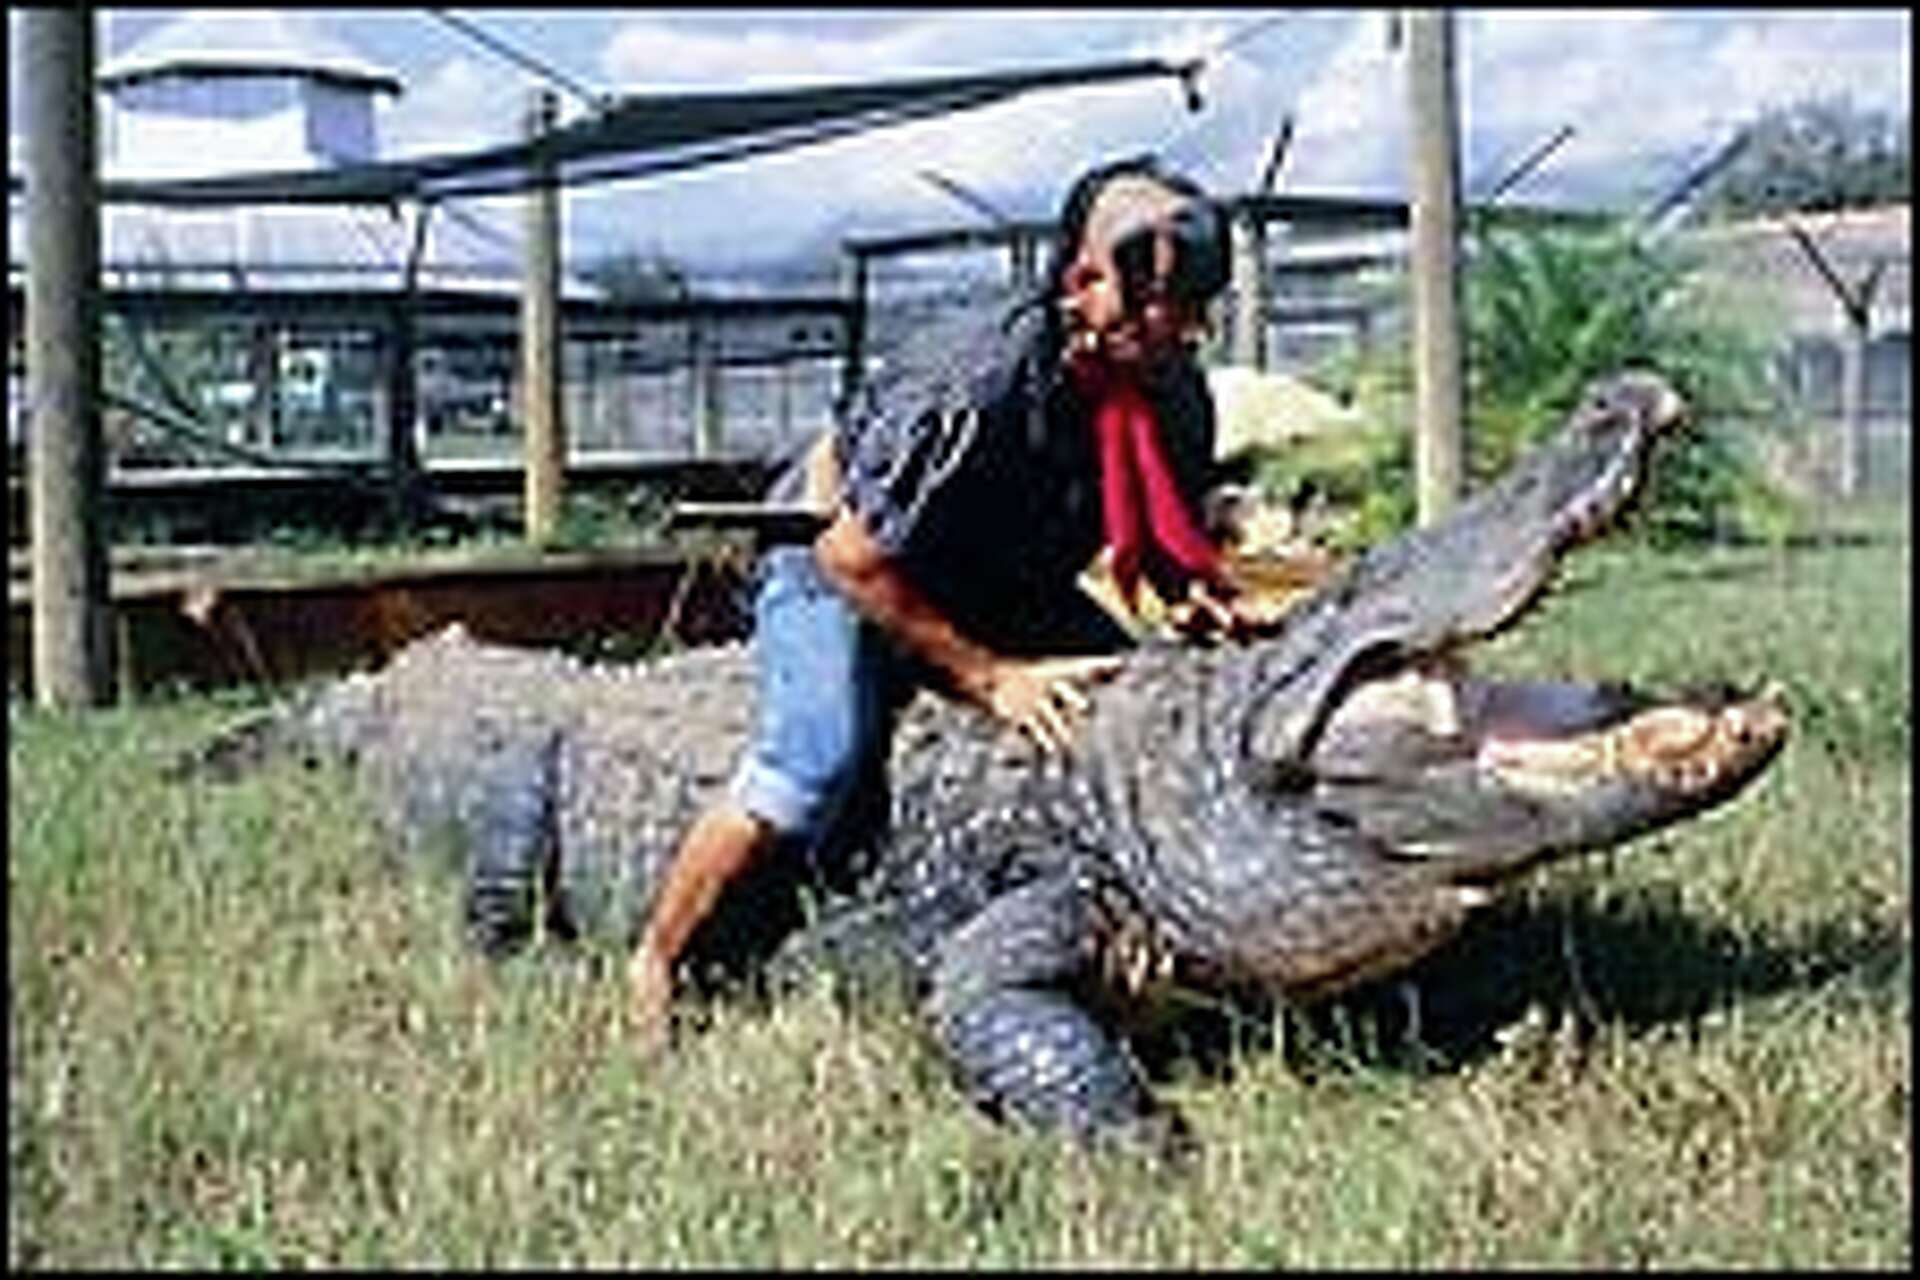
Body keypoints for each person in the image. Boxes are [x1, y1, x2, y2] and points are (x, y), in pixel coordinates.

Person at [629, 153, 1281, 1050]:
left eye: (1197, 309)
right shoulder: (976, 383)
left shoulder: (1170, 392)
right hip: (837, 553)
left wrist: (1199, 602)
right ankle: (657, 963)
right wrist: (990, 677)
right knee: (811, 767)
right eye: (1166, 308)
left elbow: (1161, 538)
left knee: (1141, 704)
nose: (1190, 331)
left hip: (996, 571)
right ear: (1086, 286)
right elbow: (853, 554)